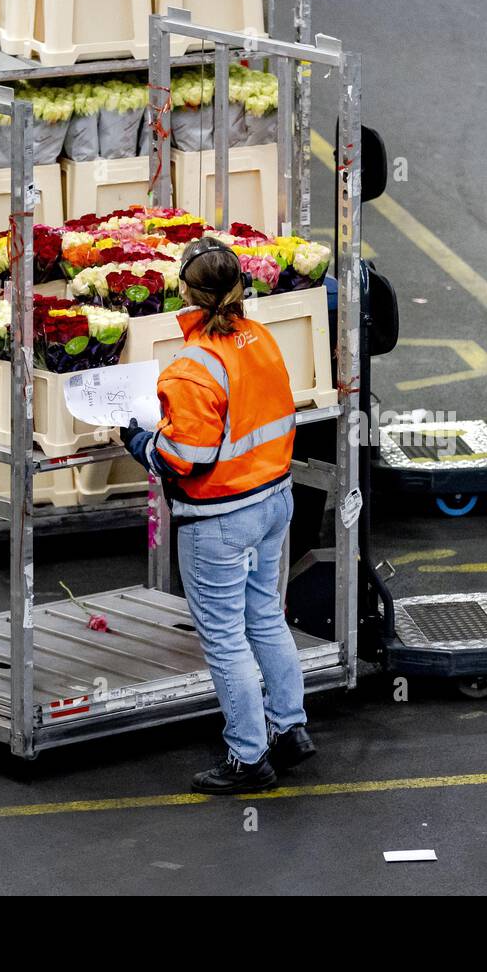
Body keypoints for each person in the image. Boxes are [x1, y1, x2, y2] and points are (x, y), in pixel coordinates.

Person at [121, 237, 315, 794]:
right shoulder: (262, 340)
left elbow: (186, 457)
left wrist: (138, 441)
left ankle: (248, 757)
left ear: (188, 292)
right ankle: (290, 728)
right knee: (266, 620)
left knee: (226, 638)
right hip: (275, 499)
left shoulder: (191, 368)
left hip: (220, 519)